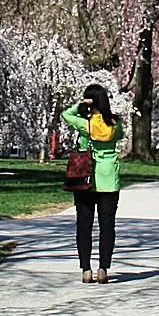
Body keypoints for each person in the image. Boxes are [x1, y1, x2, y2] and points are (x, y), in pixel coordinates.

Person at [61, 84, 124, 283]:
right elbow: (120, 137)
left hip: (85, 179)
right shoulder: (114, 124)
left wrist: (80, 104)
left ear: (90, 103)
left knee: (84, 225)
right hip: (109, 180)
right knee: (107, 226)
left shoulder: (85, 124)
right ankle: (103, 268)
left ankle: (86, 269)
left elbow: (66, 114)